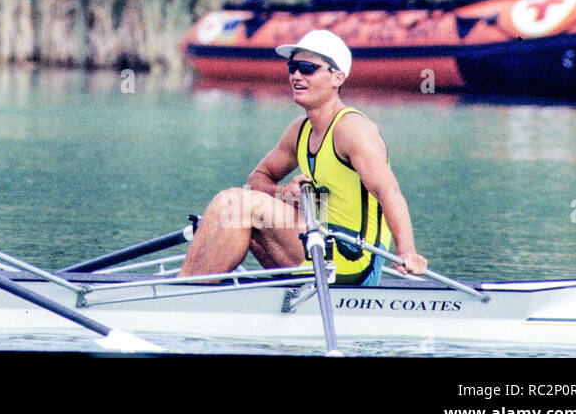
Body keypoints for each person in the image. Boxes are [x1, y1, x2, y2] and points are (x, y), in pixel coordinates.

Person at [178, 29, 427, 285]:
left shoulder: (353, 130)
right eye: (293, 66)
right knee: (227, 199)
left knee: (246, 206)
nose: (296, 75)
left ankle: (192, 293)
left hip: (352, 258)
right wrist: (284, 192)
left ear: (337, 78)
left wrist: (406, 251)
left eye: (308, 68)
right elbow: (256, 180)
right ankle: (182, 284)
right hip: (314, 242)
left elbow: (390, 192)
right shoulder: (299, 130)